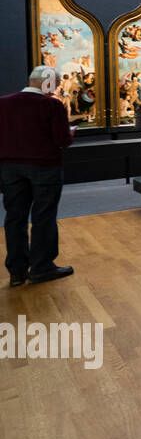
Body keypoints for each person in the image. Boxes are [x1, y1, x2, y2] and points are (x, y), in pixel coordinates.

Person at [1, 66, 75, 285]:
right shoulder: (52, 105)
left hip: (9, 167)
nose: (59, 87)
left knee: (15, 217)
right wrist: (70, 133)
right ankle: (42, 267)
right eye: (58, 82)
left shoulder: (3, 103)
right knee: (43, 216)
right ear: (48, 83)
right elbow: (62, 141)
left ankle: (17, 271)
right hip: (44, 167)